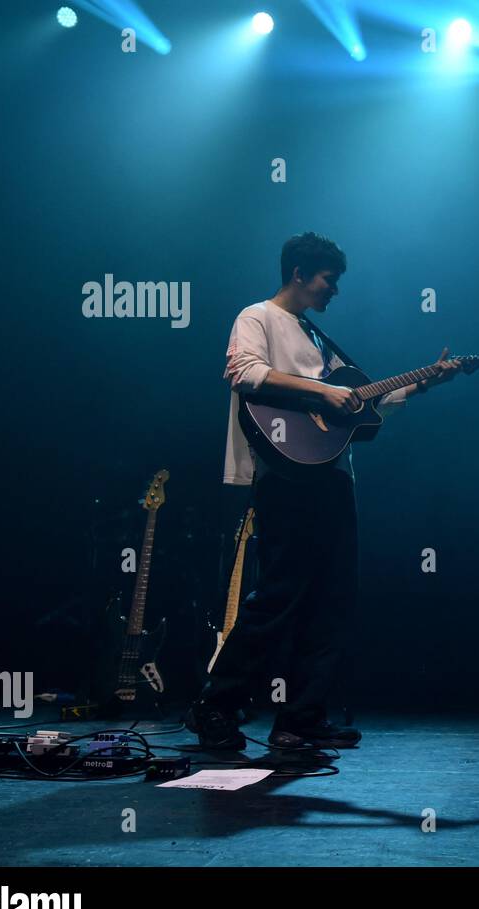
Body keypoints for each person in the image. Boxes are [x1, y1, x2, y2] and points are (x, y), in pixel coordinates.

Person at [186, 232, 461, 751]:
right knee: (278, 596)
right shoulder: (258, 317)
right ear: (299, 274)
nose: (334, 290)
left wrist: (429, 380)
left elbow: (360, 403)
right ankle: (215, 704)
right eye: (328, 280)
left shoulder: (316, 338)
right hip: (285, 478)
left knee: (333, 601)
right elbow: (243, 373)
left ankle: (301, 717)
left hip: (333, 478)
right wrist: (322, 390)